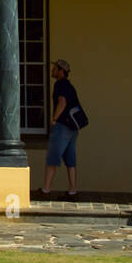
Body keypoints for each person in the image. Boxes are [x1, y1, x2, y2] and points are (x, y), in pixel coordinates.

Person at [37, 58, 82, 198]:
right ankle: (73, 191)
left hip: (62, 126)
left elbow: (62, 103)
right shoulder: (70, 86)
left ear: (61, 71)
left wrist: (54, 119)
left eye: (55, 68)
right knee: (70, 160)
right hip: (73, 128)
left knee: (52, 158)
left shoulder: (60, 84)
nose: (53, 70)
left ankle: (46, 190)